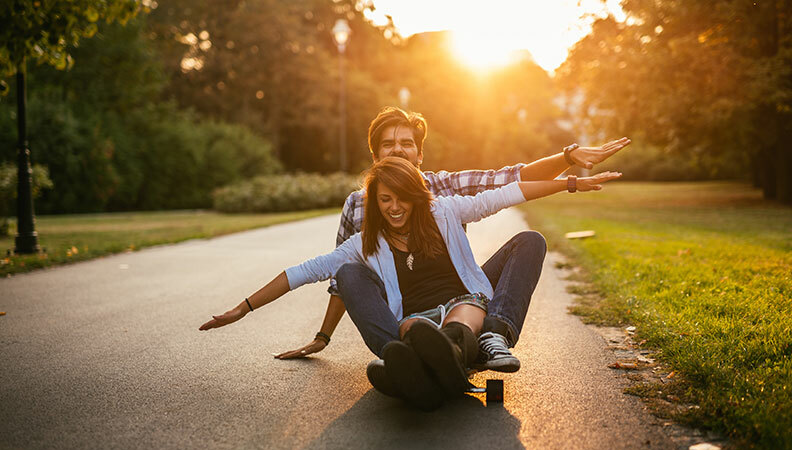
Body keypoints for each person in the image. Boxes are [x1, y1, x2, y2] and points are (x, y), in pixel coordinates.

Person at [200, 156, 622, 410]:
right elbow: (302, 272)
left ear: (416, 194)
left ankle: (483, 343)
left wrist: (568, 182)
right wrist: (243, 308)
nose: (395, 207)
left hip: (465, 308)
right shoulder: (364, 245)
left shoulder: (447, 212)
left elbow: (507, 193)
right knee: (350, 278)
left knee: (528, 242)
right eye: (384, 200)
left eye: (402, 197)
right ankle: (412, 363)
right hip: (415, 323)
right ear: (376, 202)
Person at [275, 107, 630, 377]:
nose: (397, 150)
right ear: (375, 157)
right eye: (388, 144)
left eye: (406, 143)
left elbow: (511, 181)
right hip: (406, 316)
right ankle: (407, 355)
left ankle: (491, 337)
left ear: (419, 154)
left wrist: (567, 159)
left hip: (464, 300)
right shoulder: (358, 204)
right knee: (359, 278)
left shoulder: (444, 188)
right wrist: (323, 336)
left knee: (528, 241)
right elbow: (343, 277)